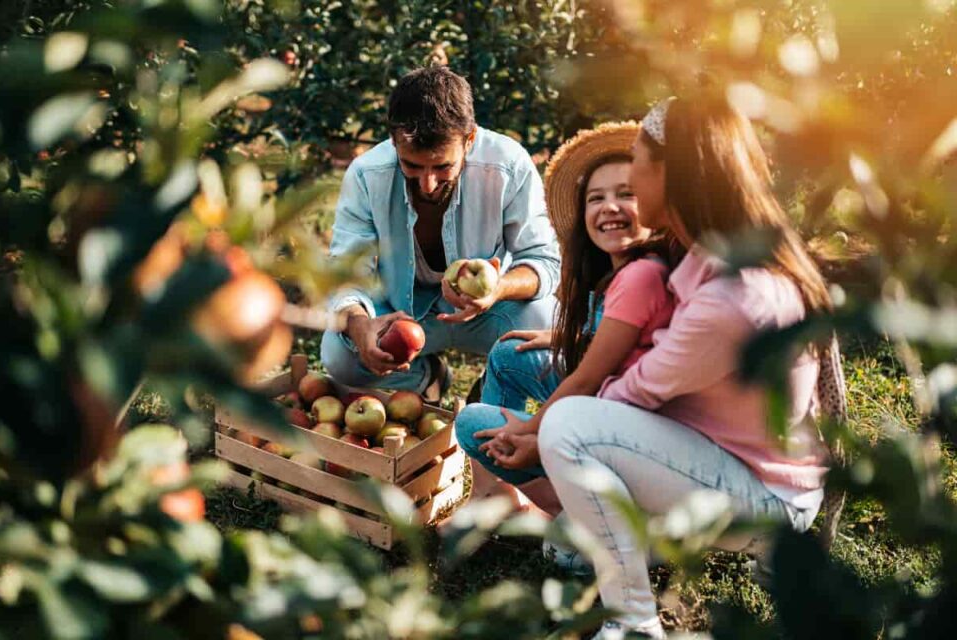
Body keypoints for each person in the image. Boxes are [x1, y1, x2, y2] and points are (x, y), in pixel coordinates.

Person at [488, 97, 832, 639]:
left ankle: (633, 623)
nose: (630, 178)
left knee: (570, 427)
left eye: (638, 164)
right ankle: (641, 538)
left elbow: (632, 393)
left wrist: (538, 439)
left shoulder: (732, 296)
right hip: (728, 459)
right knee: (569, 492)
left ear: (673, 177)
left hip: (766, 497)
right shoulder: (709, 257)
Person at [453, 122, 679, 521]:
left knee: (474, 423)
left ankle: (572, 509)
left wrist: (531, 433)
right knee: (509, 353)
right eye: (596, 198)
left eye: (626, 194)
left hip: (619, 429)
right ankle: (499, 497)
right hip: (608, 411)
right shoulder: (621, 272)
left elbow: (588, 381)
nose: (609, 206)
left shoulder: (642, 276)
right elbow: (617, 338)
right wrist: (564, 336)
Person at [320, 66, 560, 400]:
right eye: (412, 166)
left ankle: (496, 383)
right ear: (393, 142)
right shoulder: (367, 174)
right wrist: (360, 326)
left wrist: (498, 288)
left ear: (469, 140)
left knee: (549, 326)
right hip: (402, 312)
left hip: (488, 312)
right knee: (339, 356)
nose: (428, 184)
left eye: (443, 167)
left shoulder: (508, 165)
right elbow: (345, 270)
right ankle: (426, 378)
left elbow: (544, 260)